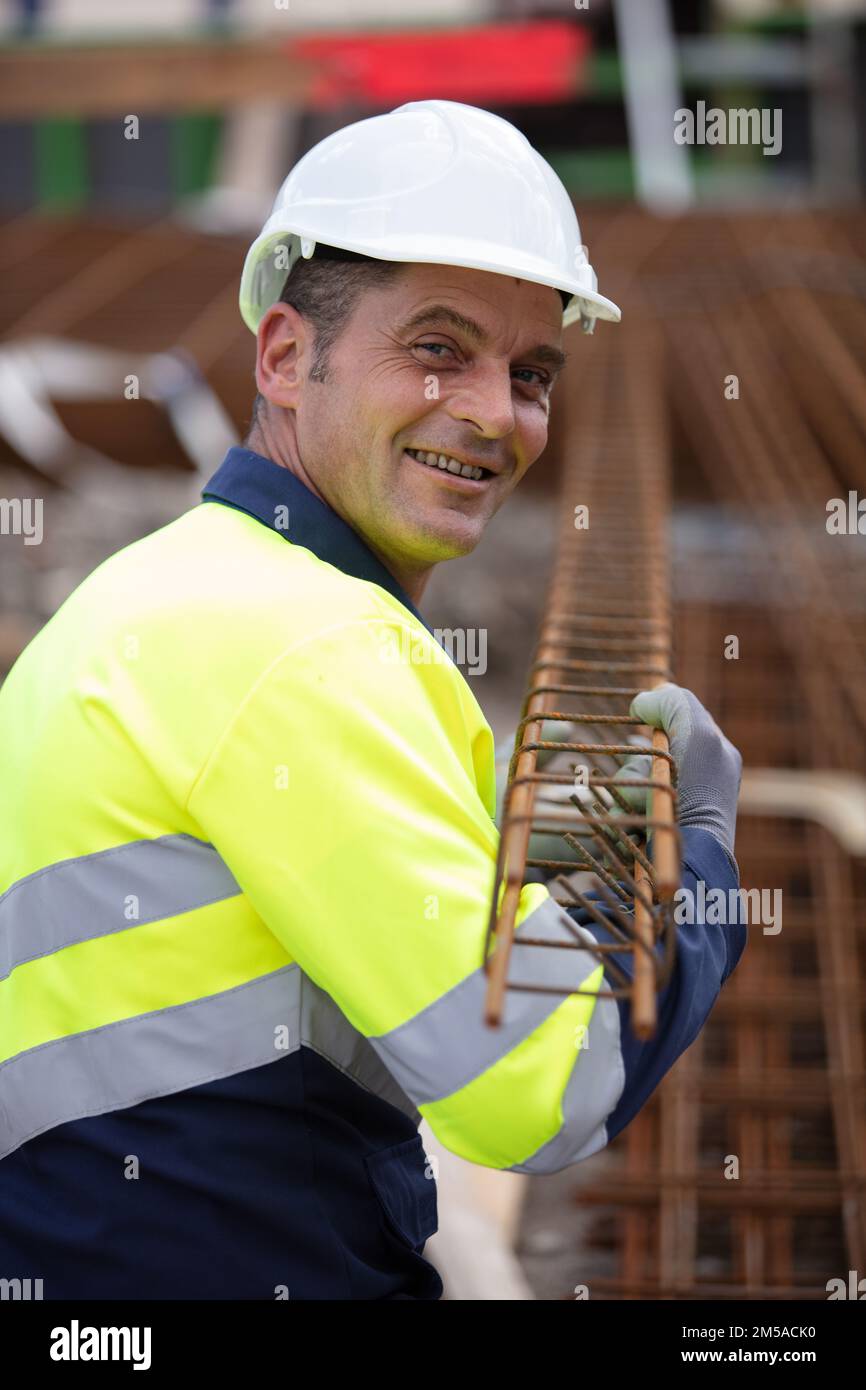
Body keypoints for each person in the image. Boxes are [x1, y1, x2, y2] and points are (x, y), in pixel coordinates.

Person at [0, 100, 745, 1300]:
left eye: (531, 371)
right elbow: (538, 1086)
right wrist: (690, 867)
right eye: (438, 349)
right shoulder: (309, 644)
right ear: (286, 357)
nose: (495, 414)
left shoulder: (147, 590)